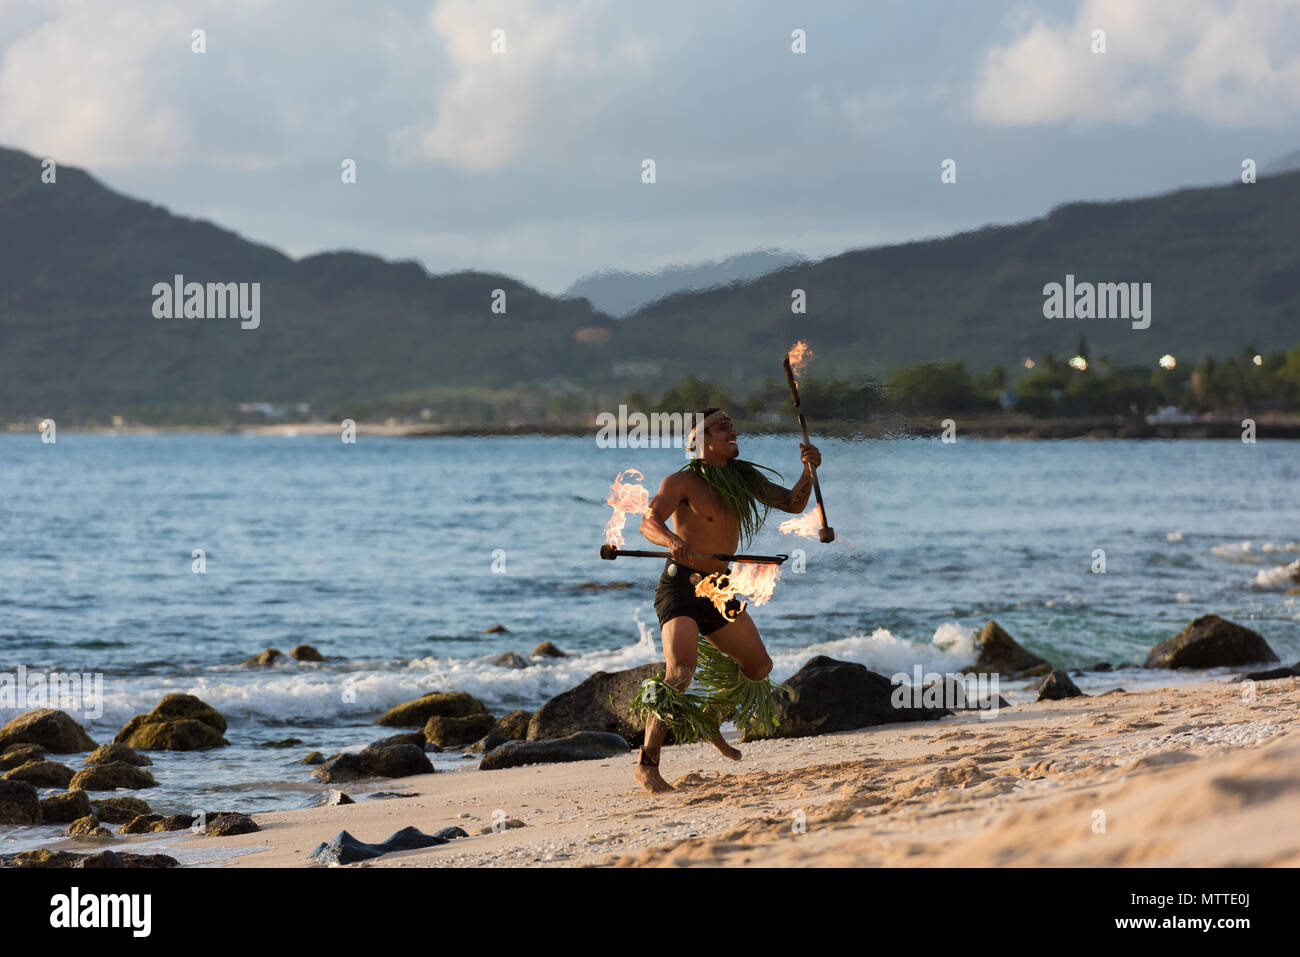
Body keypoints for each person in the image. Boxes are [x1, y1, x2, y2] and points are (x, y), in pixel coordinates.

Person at [634, 407, 820, 794]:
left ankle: (708, 718)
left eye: (731, 425)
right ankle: (647, 765)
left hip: (718, 589)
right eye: (722, 428)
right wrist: (672, 541)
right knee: (680, 672)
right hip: (682, 586)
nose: (732, 431)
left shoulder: (742, 478)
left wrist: (809, 472)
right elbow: (647, 522)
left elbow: (792, 503)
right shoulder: (681, 481)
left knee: (759, 666)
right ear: (701, 441)